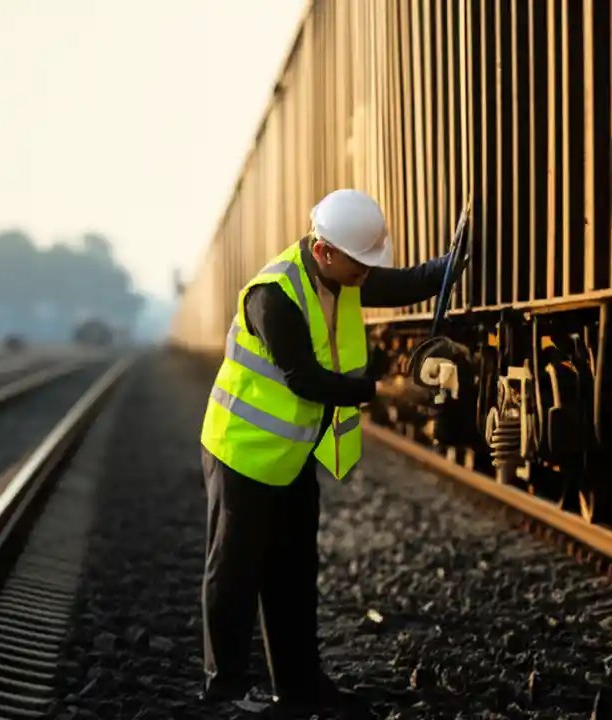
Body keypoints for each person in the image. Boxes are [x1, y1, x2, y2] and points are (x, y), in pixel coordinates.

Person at [197, 188, 467, 714]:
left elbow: (407, 282)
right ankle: (225, 688)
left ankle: (299, 687)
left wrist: (451, 262)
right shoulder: (272, 296)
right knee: (234, 572)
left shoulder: (343, 271)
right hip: (241, 454)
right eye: (359, 266)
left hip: (292, 456)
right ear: (324, 251)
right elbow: (304, 378)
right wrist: (384, 392)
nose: (366, 276)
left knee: (293, 574)